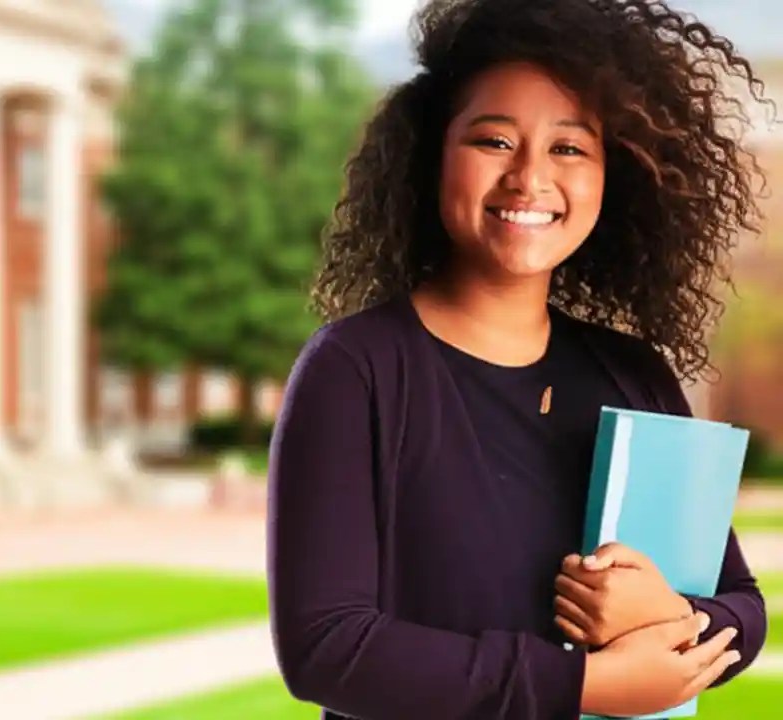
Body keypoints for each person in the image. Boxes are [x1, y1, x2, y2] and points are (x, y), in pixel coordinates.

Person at [266, 0, 771, 718]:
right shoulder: (357, 369)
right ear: (431, 156)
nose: (529, 178)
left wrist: (675, 615)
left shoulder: (636, 374)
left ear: (612, 178)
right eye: (493, 141)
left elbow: (743, 608)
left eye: (569, 148)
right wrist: (588, 687)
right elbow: (328, 648)